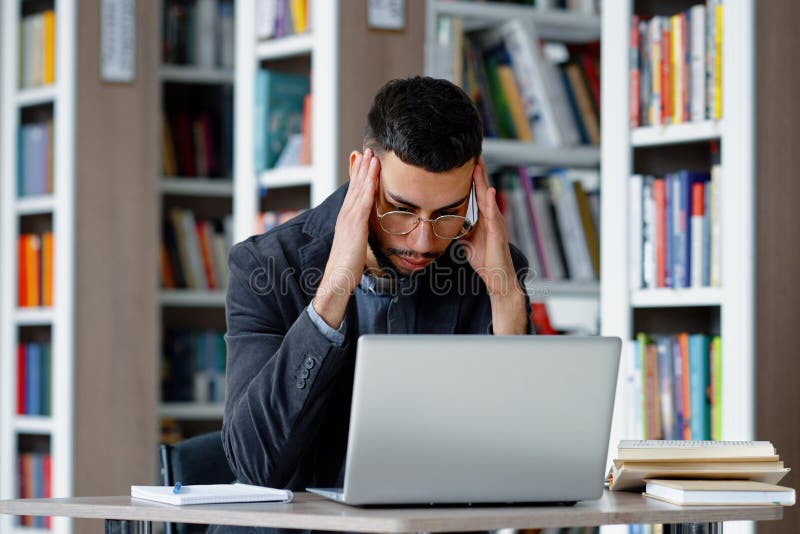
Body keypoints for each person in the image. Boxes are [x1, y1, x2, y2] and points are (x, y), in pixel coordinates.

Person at [209, 77, 533, 534]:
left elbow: (521, 458)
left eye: (447, 213)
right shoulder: (266, 266)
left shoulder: (490, 267)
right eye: (400, 209)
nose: (422, 241)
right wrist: (333, 290)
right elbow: (254, 463)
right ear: (365, 172)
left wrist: (504, 295)